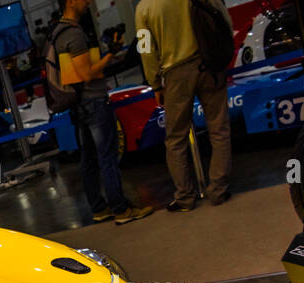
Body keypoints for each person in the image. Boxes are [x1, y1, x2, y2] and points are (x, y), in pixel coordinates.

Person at [53, 0, 154, 224]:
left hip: (80, 104)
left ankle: (99, 208)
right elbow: (87, 74)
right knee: (107, 157)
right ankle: (120, 208)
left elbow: (76, 72)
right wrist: (111, 54)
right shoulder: (74, 34)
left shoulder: (58, 32)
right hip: (94, 102)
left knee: (88, 160)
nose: (88, 2)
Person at [137, 0, 233, 209]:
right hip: (209, 65)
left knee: (176, 139)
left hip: (175, 75)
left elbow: (145, 50)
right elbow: (223, 17)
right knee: (219, 129)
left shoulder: (144, 7)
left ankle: (185, 197)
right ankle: (218, 190)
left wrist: (155, 84)